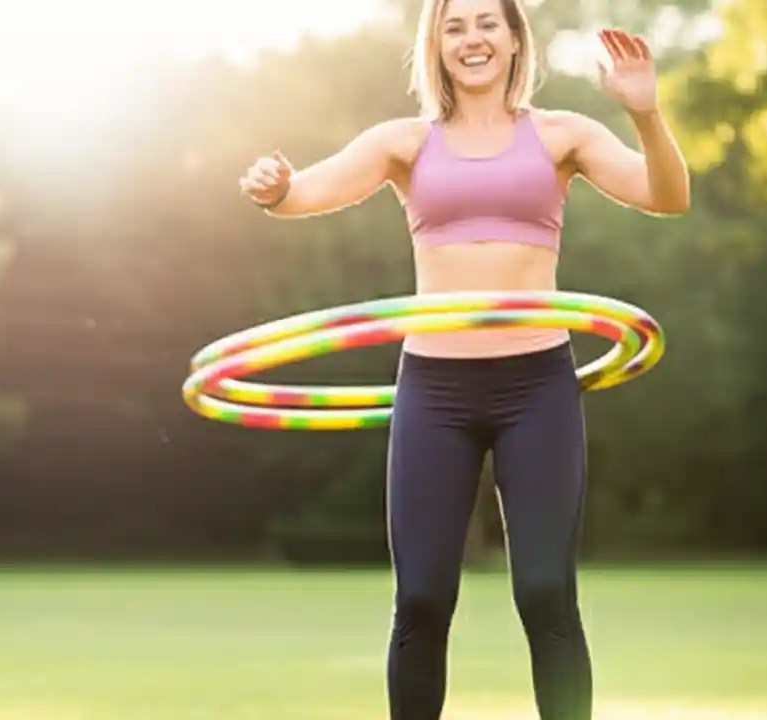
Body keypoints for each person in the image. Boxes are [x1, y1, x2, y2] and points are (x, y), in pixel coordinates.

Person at [238, 0, 690, 718]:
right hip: (436, 390)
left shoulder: (561, 135)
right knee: (419, 597)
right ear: (436, 45)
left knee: (545, 591)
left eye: (487, 22)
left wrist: (644, 114)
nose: (472, 38)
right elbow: (302, 194)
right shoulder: (406, 144)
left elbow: (668, 196)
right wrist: (274, 187)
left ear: (515, 39)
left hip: (536, 383)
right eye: (454, 26)